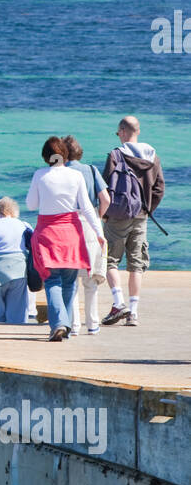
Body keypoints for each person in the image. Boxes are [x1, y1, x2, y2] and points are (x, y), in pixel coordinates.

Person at [26, 137, 106, 342]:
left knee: (52, 280)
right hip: (71, 233)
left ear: (45, 157)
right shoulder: (75, 175)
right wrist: (99, 233)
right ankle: (66, 326)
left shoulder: (39, 175)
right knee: (69, 283)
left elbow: (31, 205)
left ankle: (59, 324)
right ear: (66, 155)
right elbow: (87, 207)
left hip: (47, 234)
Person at [101, 116, 166, 327]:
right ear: (138, 131)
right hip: (141, 216)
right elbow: (159, 189)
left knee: (110, 261)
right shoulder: (153, 156)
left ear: (122, 131)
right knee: (136, 264)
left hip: (117, 216)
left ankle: (118, 302)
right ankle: (134, 312)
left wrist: (104, 213)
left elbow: (104, 186)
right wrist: (147, 209)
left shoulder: (116, 155)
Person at [63, 135, 110, 335]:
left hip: (69, 224)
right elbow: (105, 199)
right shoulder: (91, 170)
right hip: (90, 224)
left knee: (70, 278)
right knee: (91, 279)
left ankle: (74, 326)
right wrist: (98, 217)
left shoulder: (61, 172)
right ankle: (92, 324)